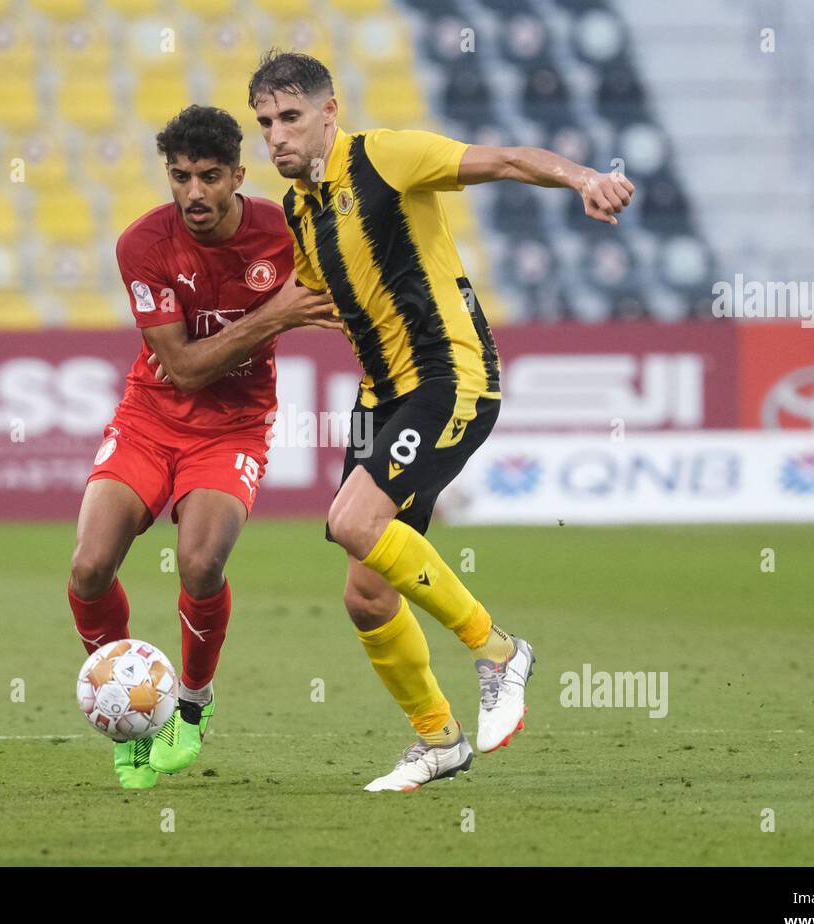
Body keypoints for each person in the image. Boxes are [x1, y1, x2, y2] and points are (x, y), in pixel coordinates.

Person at [250, 50, 634, 791]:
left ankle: (499, 651)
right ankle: (438, 740)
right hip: (379, 396)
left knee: (352, 520)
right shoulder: (302, 209)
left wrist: (585, 179)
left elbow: (510, 159)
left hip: (448, 375)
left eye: (291, 117)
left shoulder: (387, 156)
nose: (277, 135)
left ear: (330, 112)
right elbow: (310, 299)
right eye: (265, 122)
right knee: (365, 594)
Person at [67, 104, 337, 788]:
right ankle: (123, 713)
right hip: (150, 416)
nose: (193, 192)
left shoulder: (285, 231)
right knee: (91, 567)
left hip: (234, 425)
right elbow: (183, 367)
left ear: (238, 177)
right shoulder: (142, 245)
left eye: (209, 177)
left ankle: (190, 702)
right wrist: (276, 314)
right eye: (180, 176)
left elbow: (339, 297)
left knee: (199, 563)